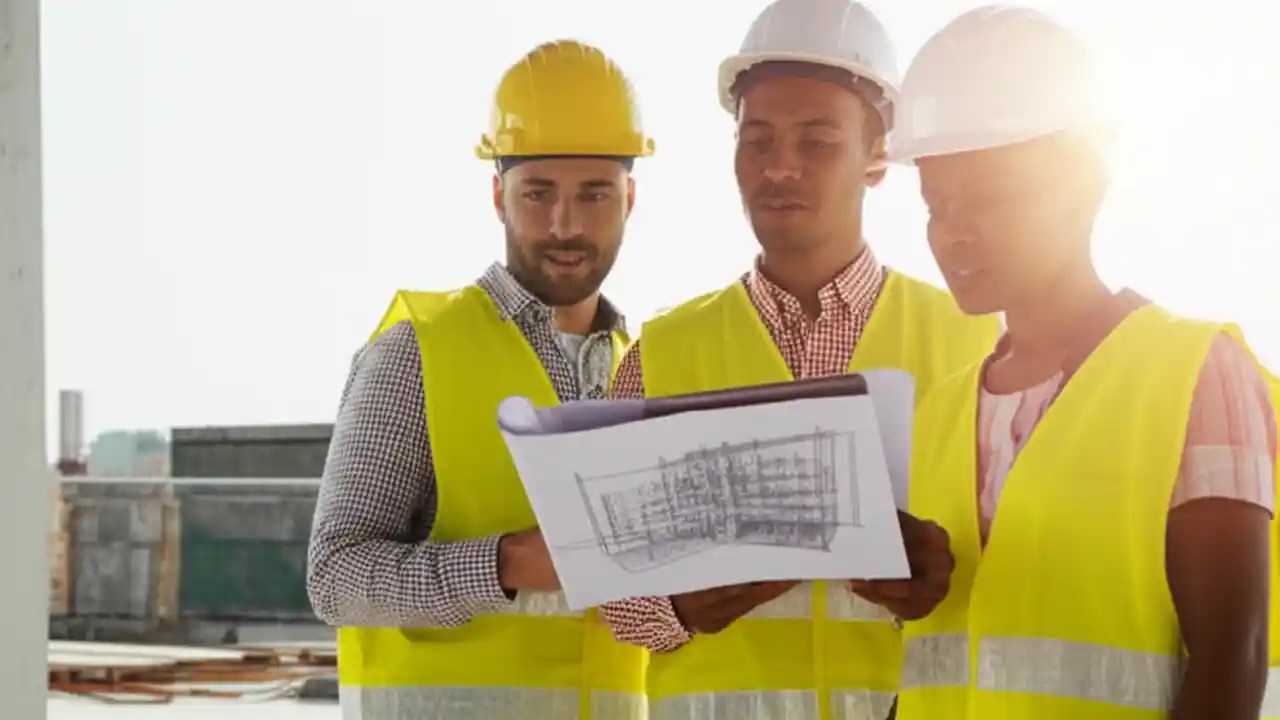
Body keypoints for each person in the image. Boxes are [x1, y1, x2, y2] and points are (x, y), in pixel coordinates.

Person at [598, 1, 1001, 718]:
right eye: (757, 140)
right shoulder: (659, 356)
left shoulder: (972, 342)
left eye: (816, 143)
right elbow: (609, 588)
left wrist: (953, 575)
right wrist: (677, 606)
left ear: (877, 157)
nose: (779, 168)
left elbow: (1027, 568)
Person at [886, 7, 1280, 719]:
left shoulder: (1195, 373)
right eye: (936, 204)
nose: (953, 233)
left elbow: (1232, 660)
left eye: (989, 198)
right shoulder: (937, 414)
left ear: (1084, 186)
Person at [305, 39, 655, 720]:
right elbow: (335, 578)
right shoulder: (419, 353)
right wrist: (506, 565)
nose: (566, 224)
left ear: (630, 199)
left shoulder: (641, 369)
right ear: (498, 195)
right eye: (538, 193)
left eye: (594, 194)